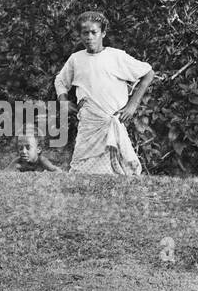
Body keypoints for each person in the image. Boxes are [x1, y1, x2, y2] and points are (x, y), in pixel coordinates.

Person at [53, 11, 153, 175]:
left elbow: (148, 73)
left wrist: (132, 105)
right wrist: (63, 101)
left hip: (112, 119)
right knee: (81, 169)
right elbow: (61, 81)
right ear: (80, 35)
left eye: (94, 32)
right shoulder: (76, 59)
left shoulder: (116, 56)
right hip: (88, 123)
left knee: (118, 170)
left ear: (103, 33)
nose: (89, 37)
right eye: (85, 33)